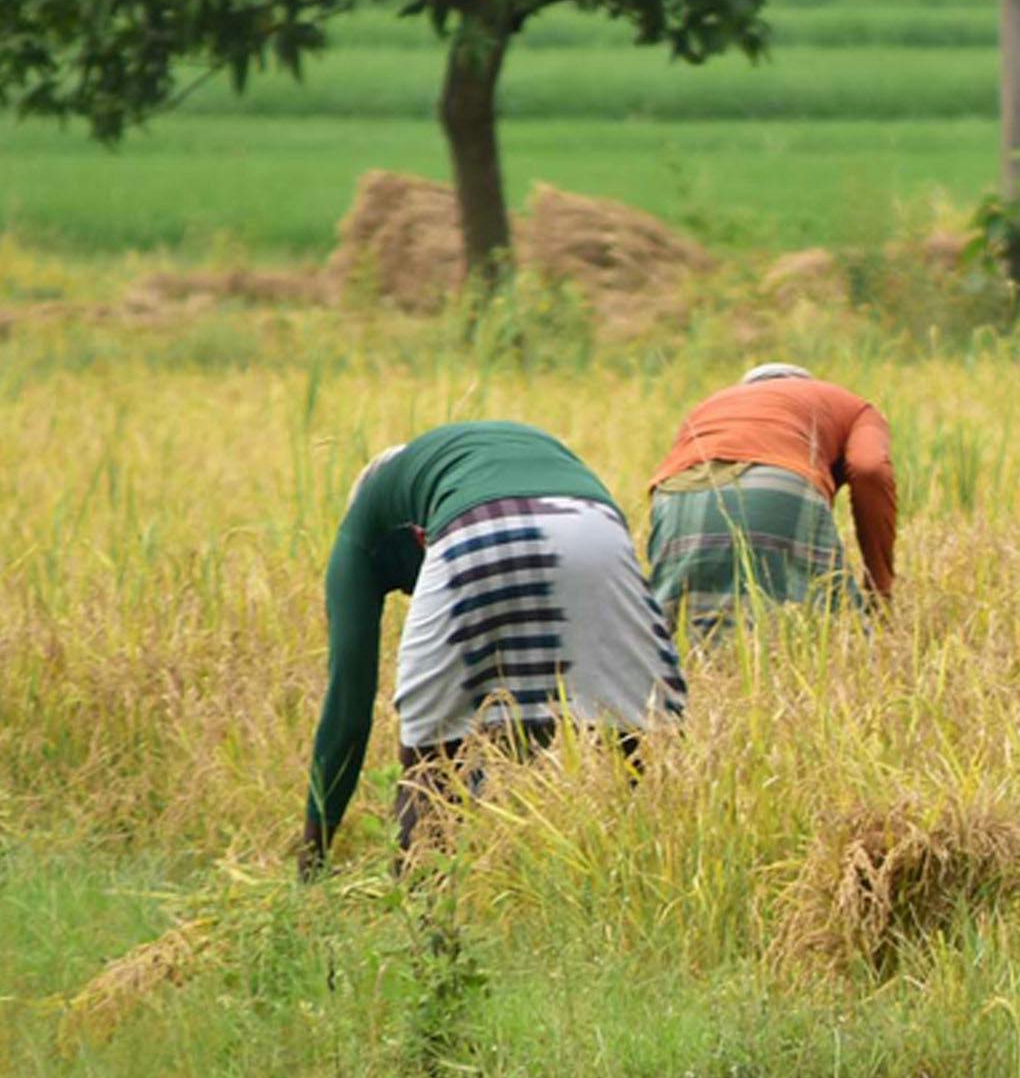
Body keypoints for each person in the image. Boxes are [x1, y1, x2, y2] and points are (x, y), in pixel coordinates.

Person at [301, 422, 686, 869]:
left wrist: (315, 849)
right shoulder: (489, 455)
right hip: (597, 530)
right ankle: (647, 877)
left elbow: (348, 705)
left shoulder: (363, 524)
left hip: (475, 531)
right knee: (637, 731)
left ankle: (426, 916)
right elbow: (540, 694)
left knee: (430, 763)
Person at [644, 363, 896, 637]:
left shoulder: (709, 406)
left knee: (683, 632)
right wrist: (879, 588)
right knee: (827, 631)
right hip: (776, 483)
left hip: (675, 497)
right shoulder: (853, 406)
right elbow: (870, 468)